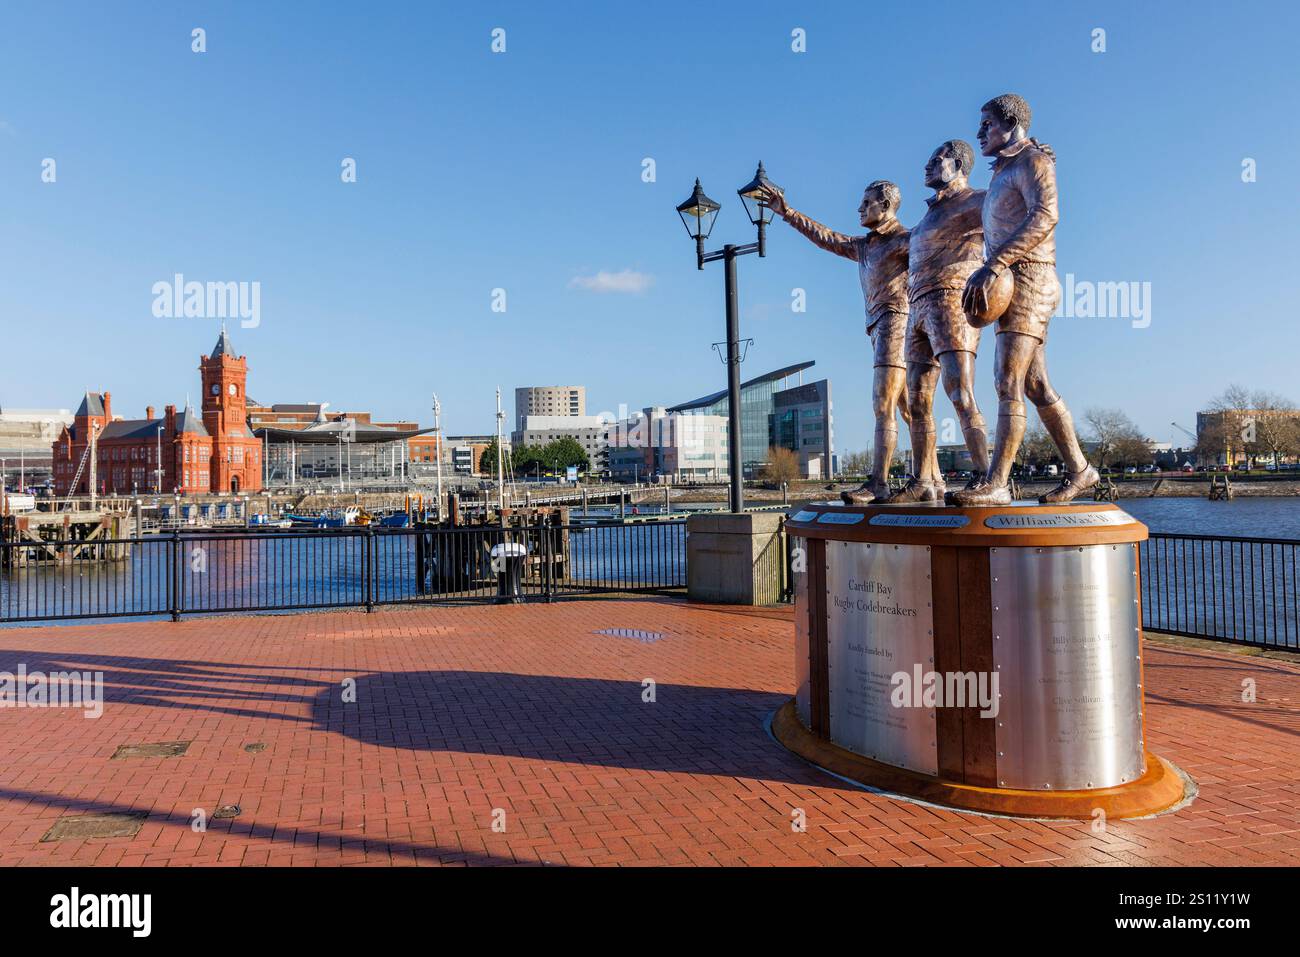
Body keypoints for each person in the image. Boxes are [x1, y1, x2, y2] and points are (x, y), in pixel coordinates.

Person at [955, 94, 1099, 506]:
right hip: (1010, 279)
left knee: (1007, 380)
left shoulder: (1033, 162)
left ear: (1011, 123)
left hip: (1030, 277)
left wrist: (994, 263)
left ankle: (998, 482)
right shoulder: (1004, 172)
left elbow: (1045, 215)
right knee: (1035, 385)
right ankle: (1081, 470)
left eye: (987, 124)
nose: (979, 132)